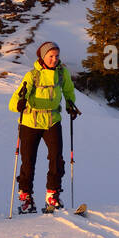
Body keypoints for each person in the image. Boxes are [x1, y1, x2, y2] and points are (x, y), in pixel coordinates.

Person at [9, 41, 80, 212]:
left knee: (56, 158)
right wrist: (20, 104)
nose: (54, 59)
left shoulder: (62, 73)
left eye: (56, 56)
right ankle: (26, 199)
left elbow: (68, 91)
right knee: (28, 161)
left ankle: (52, 196)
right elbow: (14, 102)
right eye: (51, 56)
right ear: (43, 56)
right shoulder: (32, 75)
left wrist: (71, 104)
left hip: (52, 120)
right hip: (30, 122)